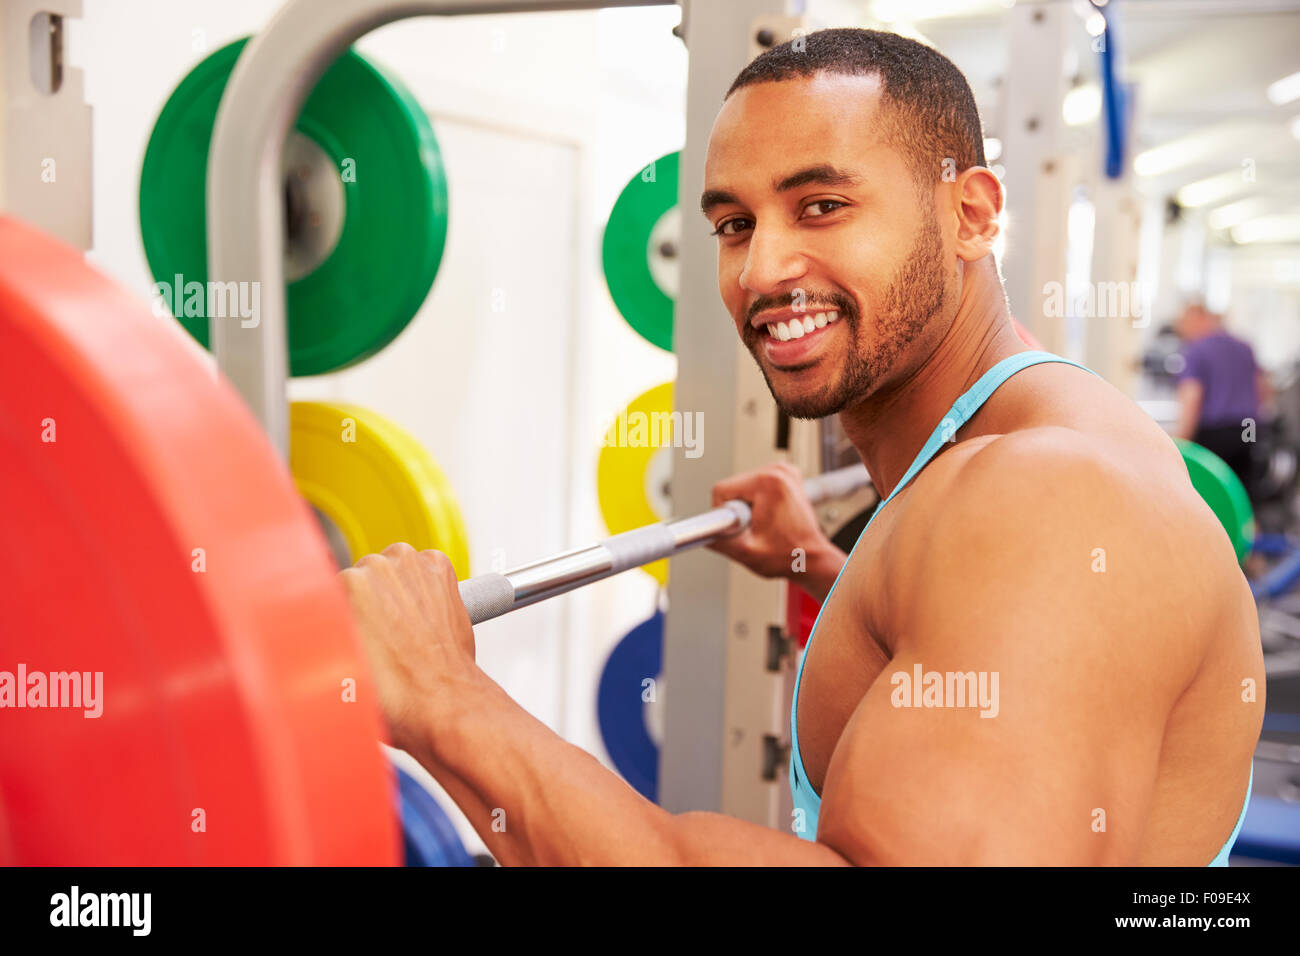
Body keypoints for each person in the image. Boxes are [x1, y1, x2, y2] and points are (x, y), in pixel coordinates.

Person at [340, 29, 1263, 865]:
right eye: (733, 223)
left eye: (820, 205)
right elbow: (982, 655)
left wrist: (442, 696)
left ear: (973, 215)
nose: (761, 269)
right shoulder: (999, 460)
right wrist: (822, 568)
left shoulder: (1050, 499)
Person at [1171, 301, 1270, 499]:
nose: (1183, 333)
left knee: (1213, 493)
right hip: (1248, 428)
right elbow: (1262, 389)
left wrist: (1179, 444)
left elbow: (1192, 398)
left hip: (1215, 433)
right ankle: (1248, 528)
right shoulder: (1244, 346)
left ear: (1199, 320)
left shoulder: (1196, 351)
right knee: (1244, 493)